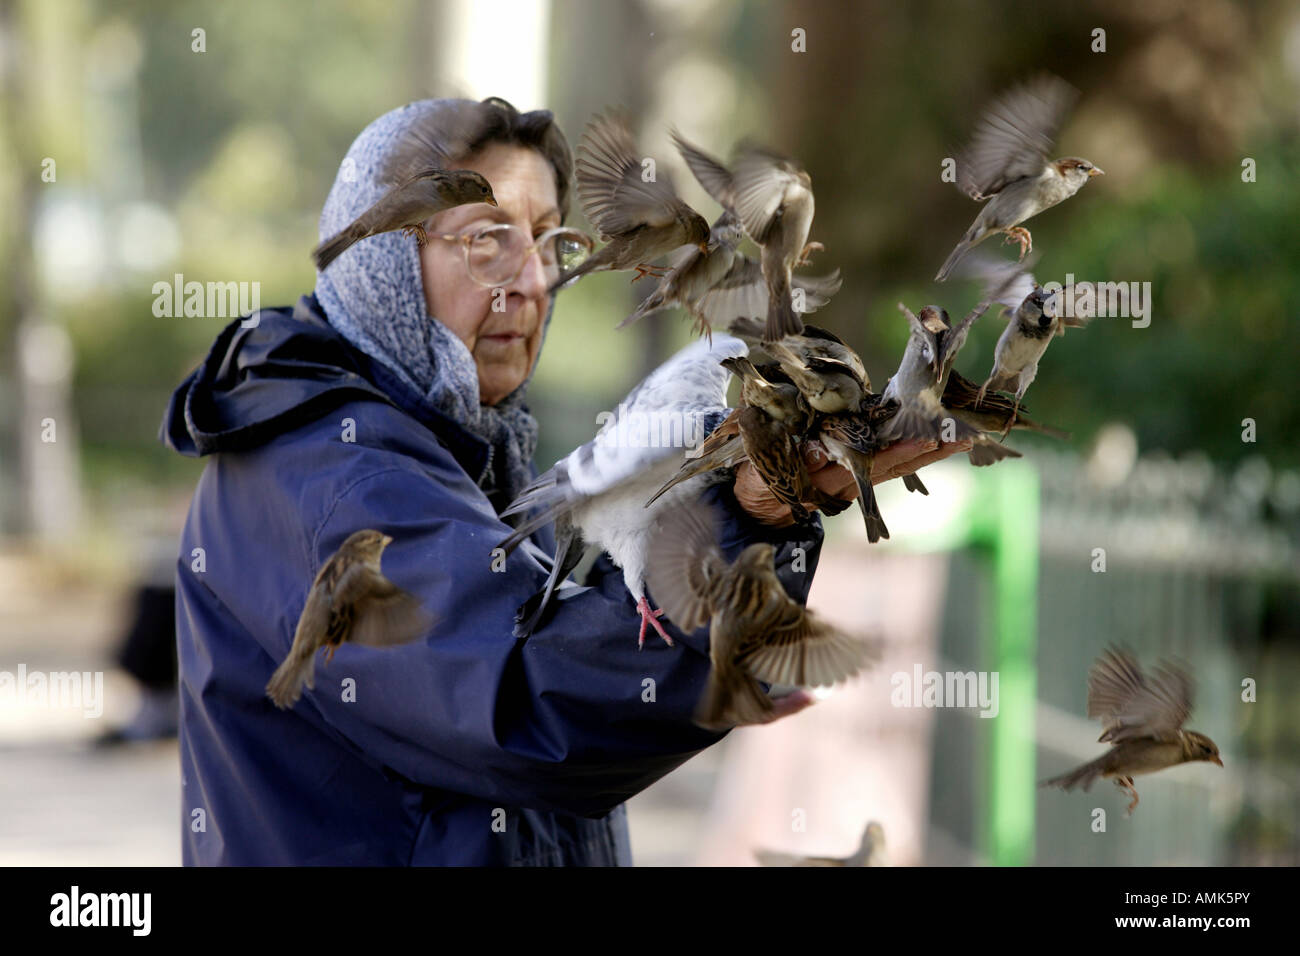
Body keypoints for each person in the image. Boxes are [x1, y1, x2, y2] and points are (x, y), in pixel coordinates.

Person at [160, 96, 963, 866]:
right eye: (486, 239)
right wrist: (748, 517)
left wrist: (726, 613)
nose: (531, 282)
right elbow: (529, 704)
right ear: (383, 262)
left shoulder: (460, 448)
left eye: (547, 242)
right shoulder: (332, 468)